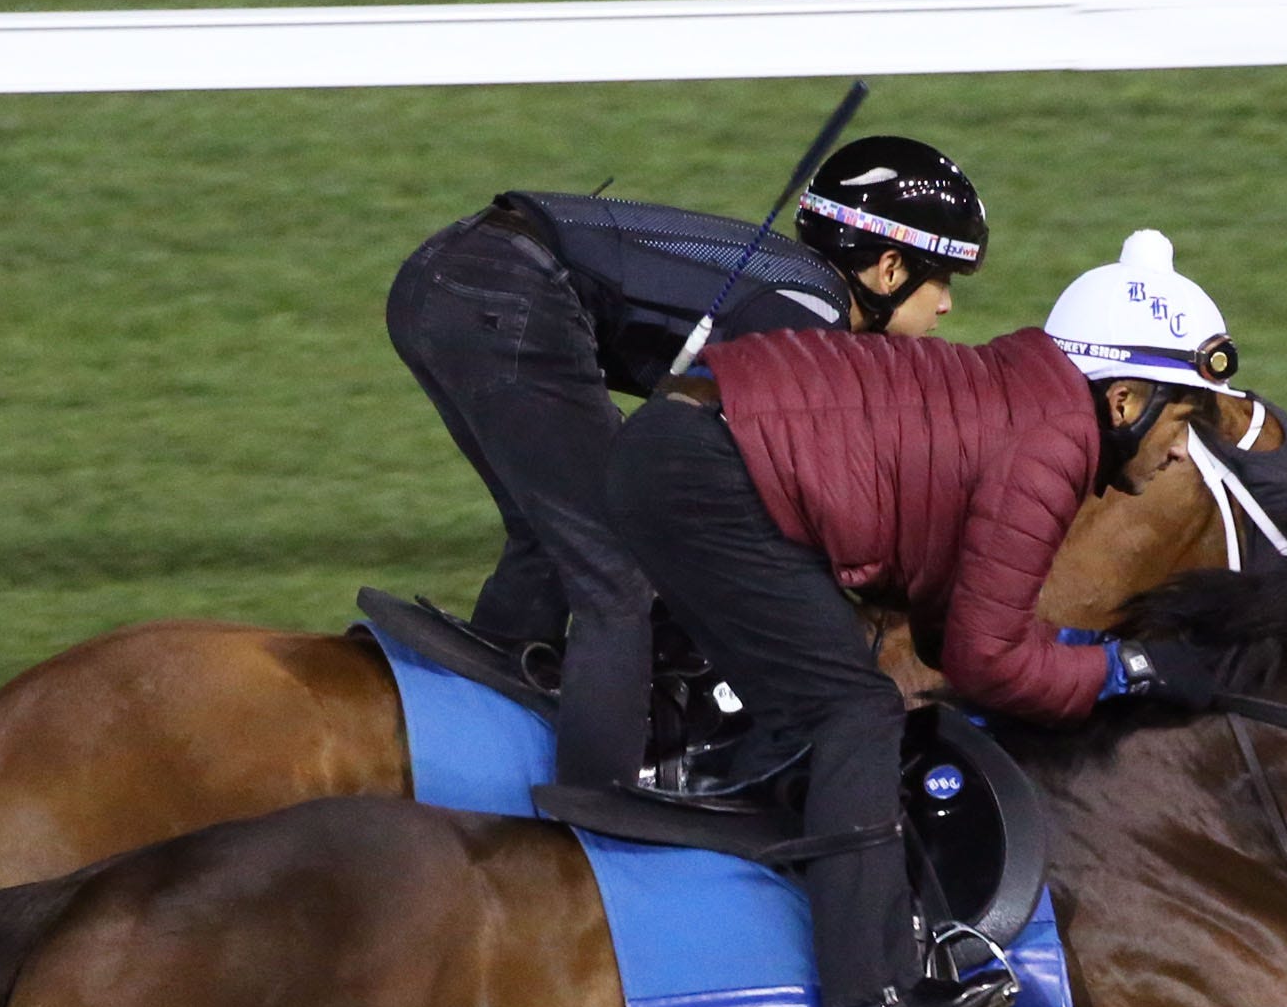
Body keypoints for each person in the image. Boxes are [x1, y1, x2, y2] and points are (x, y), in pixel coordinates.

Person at [607, 229, 1242, 1007]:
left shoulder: (1031, 403)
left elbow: (960, 633)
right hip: (705, 467)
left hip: (692, 446)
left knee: (836, 692)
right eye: (1184, 420)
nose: (1179, 452)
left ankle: (709, 819)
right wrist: (1129, 669)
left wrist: (1080, 658)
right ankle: (870, 997)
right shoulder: (1049, 445)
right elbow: (983, 661)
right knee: (853, 712)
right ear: (1124, 401)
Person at [384, 138, 989, 788]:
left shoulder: (791, 290)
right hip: (499, 292)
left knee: (558, 534)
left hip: (445, 280)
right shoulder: (807, 314)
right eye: (942, 280)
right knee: (617, 562)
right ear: (889, 269)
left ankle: (487, 725)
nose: (947, 306)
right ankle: (596, 811)